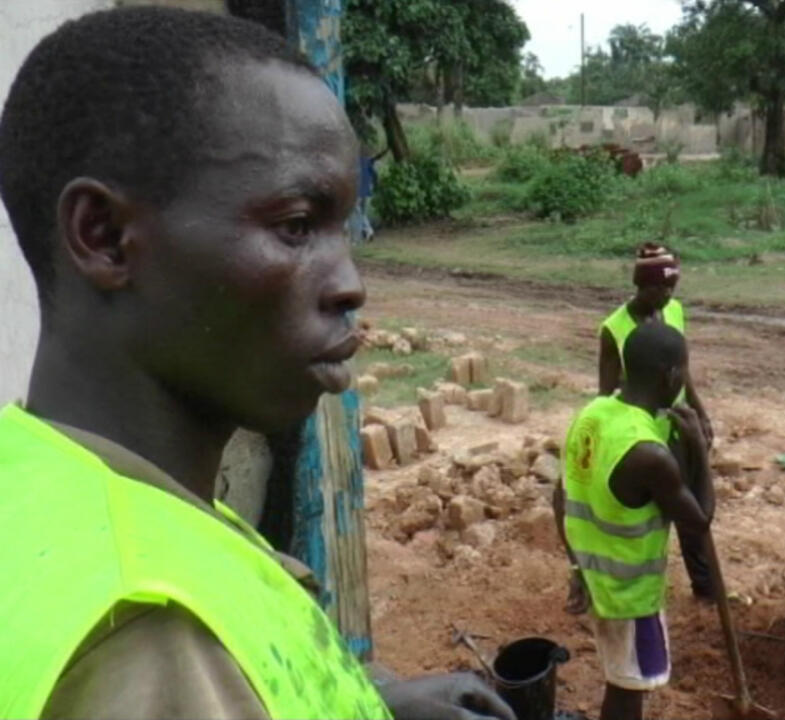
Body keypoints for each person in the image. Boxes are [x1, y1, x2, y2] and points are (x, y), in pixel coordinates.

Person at [0, 8, 512, 719]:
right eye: (296, 226)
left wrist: (375, 700)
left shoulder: (40, 476)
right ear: (106, 237)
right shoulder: (154, 642)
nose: (350, 283)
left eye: (344, 227)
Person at [554, 322, 715, 720]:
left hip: (596, 576)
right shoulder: (648, 453)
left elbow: (560, 497)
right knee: (629, 690)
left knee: (620, 679)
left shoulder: (593, 413)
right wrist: (698, 448)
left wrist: (577, 566)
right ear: (672, 376)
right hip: (630, 594)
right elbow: (698, 522)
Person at [597, 242, 715, 599]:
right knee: (650, 516)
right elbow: (606, 394)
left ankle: (706, 587)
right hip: (641, 439)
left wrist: (700, 412)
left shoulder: (674, 311)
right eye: (657, 288)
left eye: (671, 288)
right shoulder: (614, 329)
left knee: (693, 509)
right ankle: (643, 583)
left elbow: (683, 370)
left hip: (679, 428)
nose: (665, 295)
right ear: (639, 285)